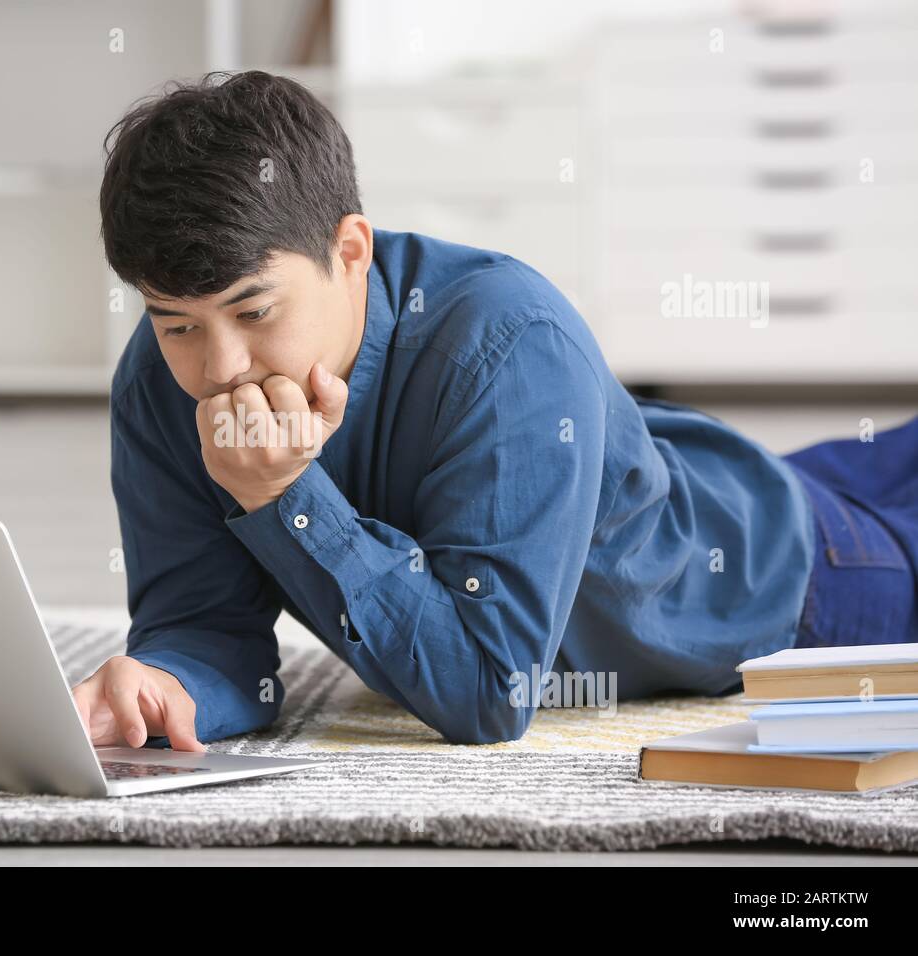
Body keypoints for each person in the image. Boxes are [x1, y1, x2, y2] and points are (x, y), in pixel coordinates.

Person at [70, 70, 918, 752]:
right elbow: (205, 629)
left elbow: (491, 689)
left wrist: (284, 496)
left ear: (350, 251)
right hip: (659, 474)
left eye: (255, 312)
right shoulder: (159, 380)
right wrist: (159, 687)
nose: (218, 369)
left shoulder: (511, 340)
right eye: (176, 322)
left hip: (804, 577)